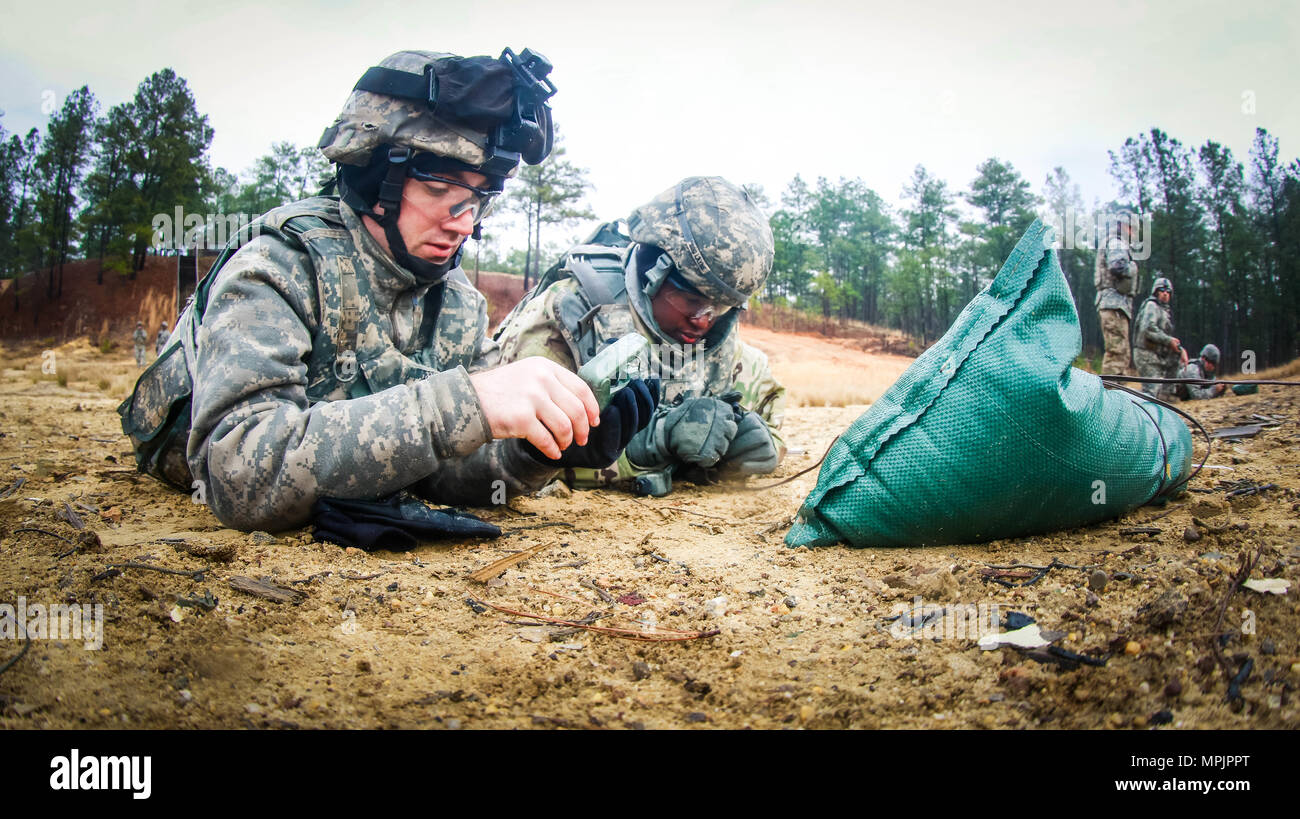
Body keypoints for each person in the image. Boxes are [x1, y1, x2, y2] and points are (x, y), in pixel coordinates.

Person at [172, 48, 655, 531]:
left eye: (479, 199)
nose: (464, 225)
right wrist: (466, 403)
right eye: (440, 189)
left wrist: (535, 450)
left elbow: (445, 472)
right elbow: (236, 475)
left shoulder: (457, 302)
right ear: (374, 172)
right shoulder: (280, 265)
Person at [492, 176, 785, 494]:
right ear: (653, 274)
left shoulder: (728, 348)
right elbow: (500, 461)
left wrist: (756, 446)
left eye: (722, 306)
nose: (704, 321)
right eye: (691, 300)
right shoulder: (570, 315)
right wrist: (646, 446)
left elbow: (771, 418)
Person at [1094, 211, 1138, 376]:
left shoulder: (1115, 242)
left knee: (1121, 354)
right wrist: (1132, 268)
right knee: (1117, 355)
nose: (1133, 231)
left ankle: (1116, 395)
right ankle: (1110, 395)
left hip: (1116, 305)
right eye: (1130, 227)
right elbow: (1116, 265)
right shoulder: (1116, 243)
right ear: (1121, 226)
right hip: (1113, 304)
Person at [1131, 276, 1186, 400]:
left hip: (1158, 355)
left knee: (1176, 353)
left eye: (1168, 292)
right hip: (1146, 355)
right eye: (1162, 290)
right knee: (1151, 394)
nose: (1165, 294)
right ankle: (1129, 397)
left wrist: (1180, 349)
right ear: (1156, 292)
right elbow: (1148, 329)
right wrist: (1168, 340)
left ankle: (1167, 394)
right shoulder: (1152, 305)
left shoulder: (1165, 310)